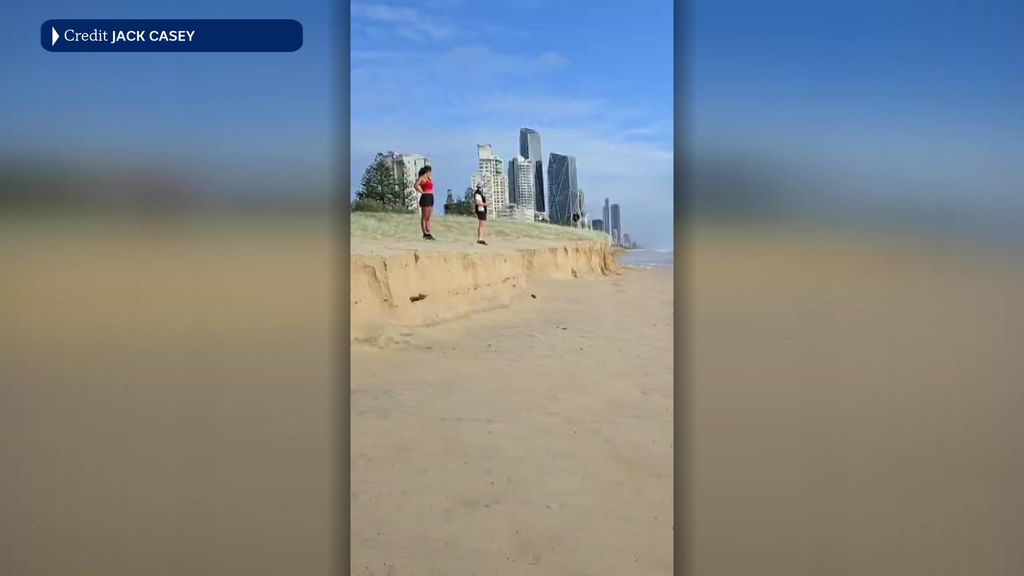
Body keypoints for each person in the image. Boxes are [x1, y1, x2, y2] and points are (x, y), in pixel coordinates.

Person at [414, 166, 435, 240]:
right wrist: (421, 192)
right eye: (430, 172)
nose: (431, 173)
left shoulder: (429, 179)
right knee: (424, 217)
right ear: (427, 171)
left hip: (430, 196)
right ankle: (425, 233)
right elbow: (416, 185)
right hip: (425, 196)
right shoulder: (421, 178)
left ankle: (428, 232)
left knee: (428, 216)